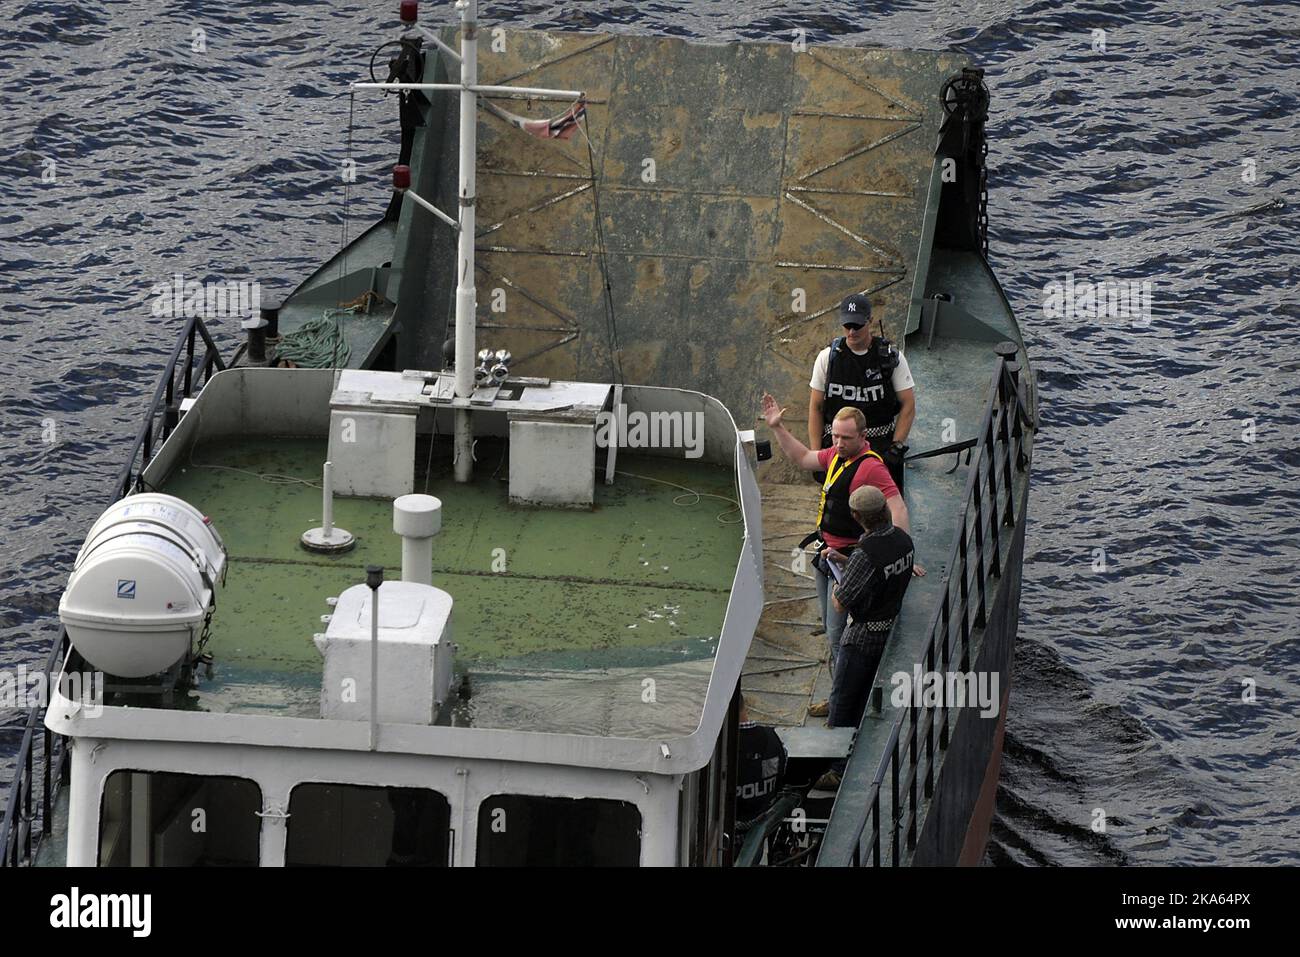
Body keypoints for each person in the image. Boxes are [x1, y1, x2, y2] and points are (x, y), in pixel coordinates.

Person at [760, 394, 923, 717]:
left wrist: (903, 551)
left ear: (863, 437)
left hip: (849, 560)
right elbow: (804, 458)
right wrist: (778, 428)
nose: (838, 442)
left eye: (846, 437)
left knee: (838, 635)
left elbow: (897, 506)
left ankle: (842, 700)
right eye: (835, 435)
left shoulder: (871, 467)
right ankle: (840, 692)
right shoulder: (837, 455)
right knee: (829, 627)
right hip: (827, 555)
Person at [814, 485, 916, 791]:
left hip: (862, 637)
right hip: (889, 629)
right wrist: (846, 559)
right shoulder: (903, 540)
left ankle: (837, 768)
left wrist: (837, 580)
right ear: (884, 510)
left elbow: (841, 602)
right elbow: (882, 572)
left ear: (857, 517)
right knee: (863, 694)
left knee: (844, 700)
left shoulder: (865, 553)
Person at [808, 293, 916, 493]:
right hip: (837, 445)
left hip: (879, 445)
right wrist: (816, 454)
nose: (851, 331)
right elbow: (816, 407)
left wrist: (896, 446)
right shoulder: (827, 358)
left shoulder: (892, 359)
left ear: (870, 321)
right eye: (847, 325)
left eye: (857, 325)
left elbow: (908, 404)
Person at [734, 693, 788, 828]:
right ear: (744, 706)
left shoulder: (719, 749)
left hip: (730, 832)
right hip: (765, 821)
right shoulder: (773, 738)